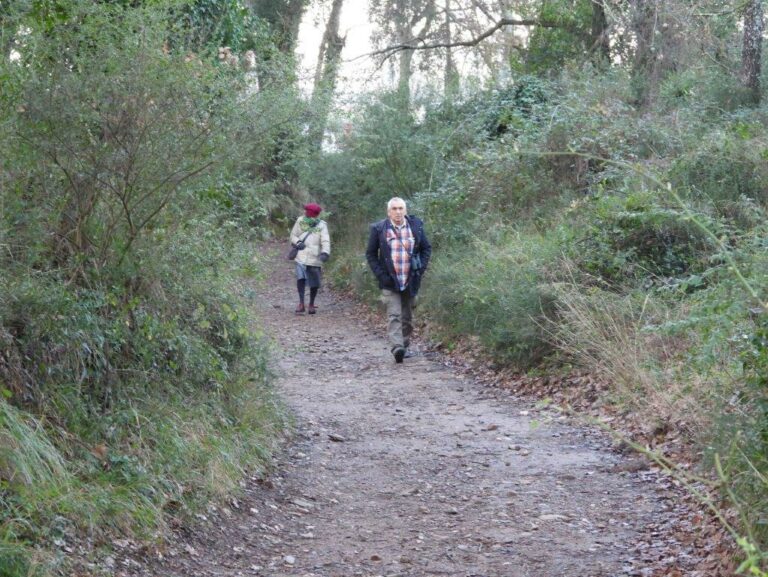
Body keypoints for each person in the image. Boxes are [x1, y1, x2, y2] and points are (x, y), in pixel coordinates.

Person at [365, 197, 432, 363]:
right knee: (394, 314)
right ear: (389, 212)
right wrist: (381, 275)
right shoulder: (379, 229)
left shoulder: (416, 226)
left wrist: (420, 269)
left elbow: (426, 248)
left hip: (410, 279)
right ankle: (397, 347)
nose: (398, 212)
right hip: (390, 281)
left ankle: (405, 345)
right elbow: (371, 254)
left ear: (405, 210)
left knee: (407, 317)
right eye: (394, 209)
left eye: (401, 208)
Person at [290, 203, 331, 314]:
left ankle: (311, 304)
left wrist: (325, 252)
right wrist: (298, 242)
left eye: (306, 211)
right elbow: (293, 235)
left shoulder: (322, 225)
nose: (304, 212)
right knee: (300, 279)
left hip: (315, 257)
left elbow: (325, 240)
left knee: (314, 282)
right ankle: (301, 303)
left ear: (311, 213)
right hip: (301, 256)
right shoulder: (300, 221)